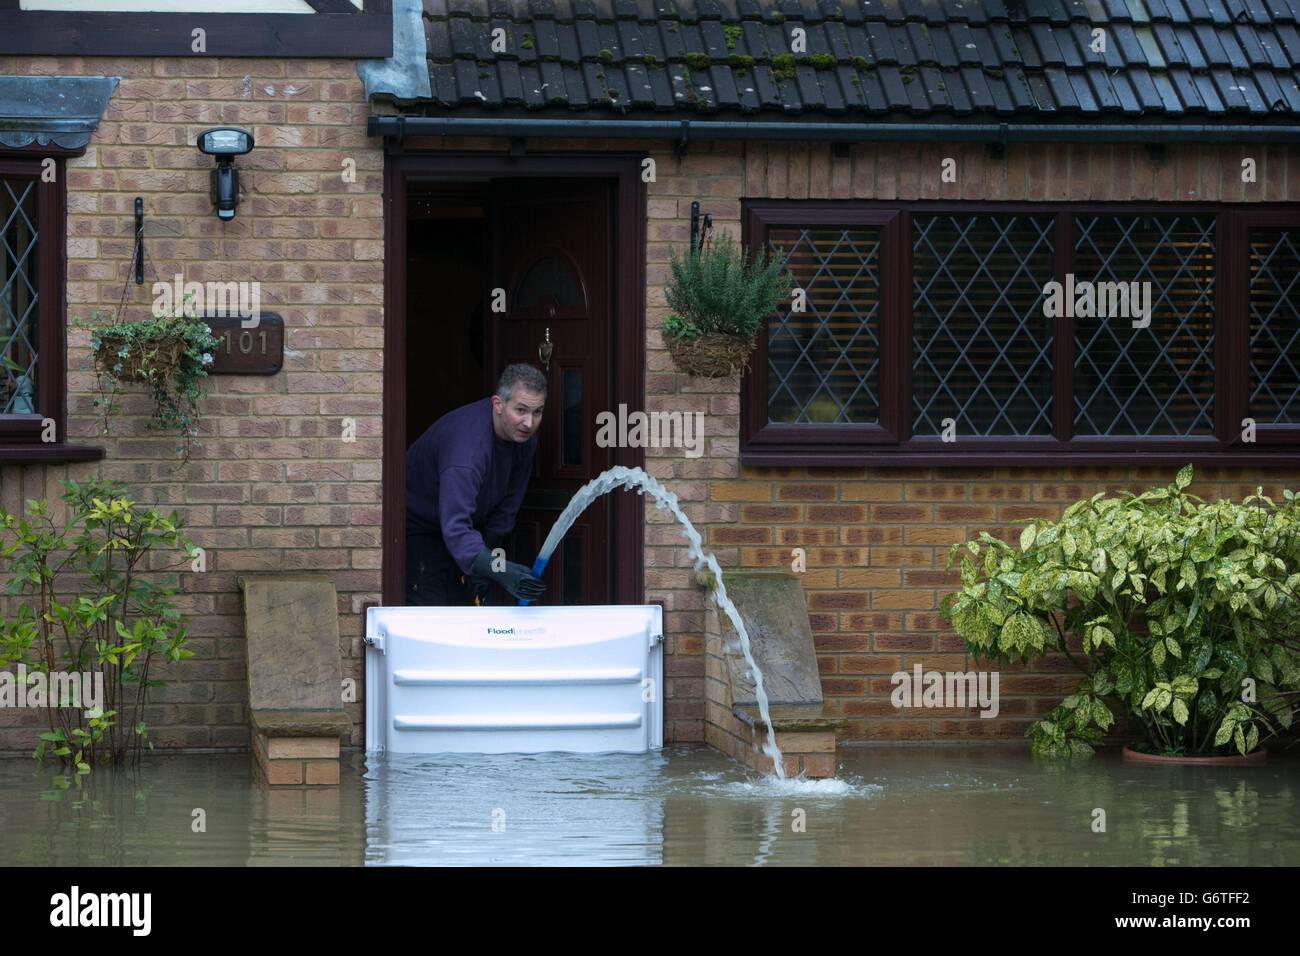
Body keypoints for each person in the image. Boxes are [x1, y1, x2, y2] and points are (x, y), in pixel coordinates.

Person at [405, 364, 548, 606]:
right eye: (521, 410)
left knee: (468, 603)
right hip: (420, 528)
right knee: (436, 611)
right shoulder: (467, 454)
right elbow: (456, 525)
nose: (529, 423)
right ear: (498, 404)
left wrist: (486, 566)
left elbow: (507, 510)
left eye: (538, 412)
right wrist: (499, 569)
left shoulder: (524, 441)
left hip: (464, 531)